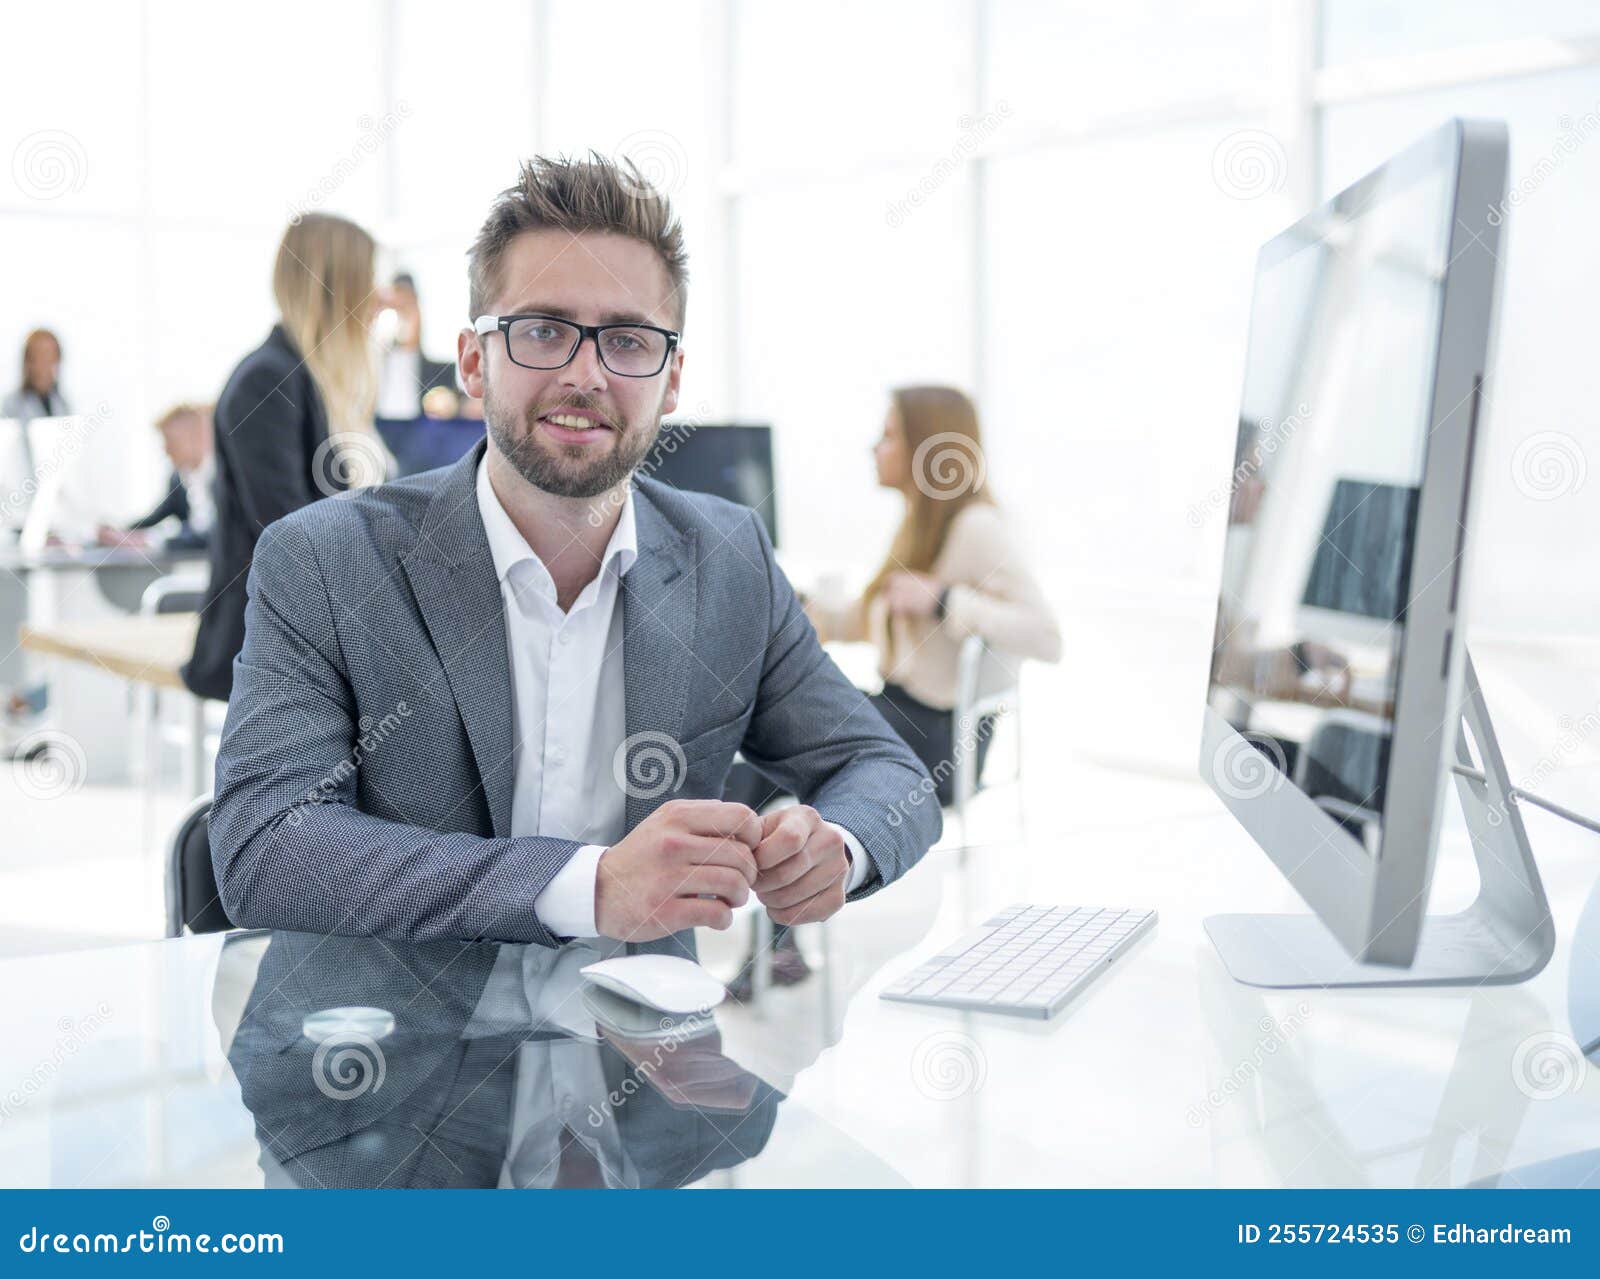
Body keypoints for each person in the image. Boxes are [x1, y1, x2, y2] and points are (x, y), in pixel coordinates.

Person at [208, 153, 941, 952]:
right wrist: (588, 888)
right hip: (391, 1053)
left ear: (671, 379)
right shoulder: (323, 562)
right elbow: (266, 846)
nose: (585, 374)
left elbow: (888, 772)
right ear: (473, 361)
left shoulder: (728, 557)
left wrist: (839, 845)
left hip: (641, 1051)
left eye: (628, 340)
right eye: (545, 330)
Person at [722, 385, 1061, 996]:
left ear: (927, 446)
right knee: (763, 754)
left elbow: (1046, 635)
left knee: (761, 769)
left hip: (937, 739)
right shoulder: (918, 525)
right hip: (898, 712)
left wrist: (946, 599)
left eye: (889, 435)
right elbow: (870, 622)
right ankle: (777, 940)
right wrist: (794, 610)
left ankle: (766, 936)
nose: (874, 447)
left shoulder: (976, 526)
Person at [182, 212, 390, 702]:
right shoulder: (267, 382)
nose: (379, 298)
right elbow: (291, 539)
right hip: (265, 645)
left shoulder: (305, 380)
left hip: (304, 637)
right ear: (338, 287)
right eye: (368, 281)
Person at [97, 402, 216, 550]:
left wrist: (151, 539)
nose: (166, 450)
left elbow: (211, 534)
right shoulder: (179, 478)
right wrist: (121, 532)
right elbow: (158, 515)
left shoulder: (222, 476)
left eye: (170, 440)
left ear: (195, 437)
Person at [375, 271, 463, 420]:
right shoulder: (371, 364)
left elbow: (457, 405)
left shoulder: (442, 371)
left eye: (409, 306)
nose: (405, 317)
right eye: (398, 307)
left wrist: (452, 405)